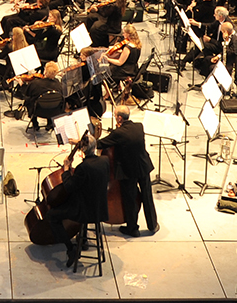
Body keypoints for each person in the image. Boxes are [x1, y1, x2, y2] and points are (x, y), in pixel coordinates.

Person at [47, 135, 112, 269]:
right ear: (94, 148)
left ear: (82, 151)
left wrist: (66, 170)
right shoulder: (105, 161)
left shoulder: (83, 167)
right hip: (100, 208)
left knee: (51, 215)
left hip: (85, 211)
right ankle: (83, 240)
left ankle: (71, 249)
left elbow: (69, 186)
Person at [98, 105, 157, 236]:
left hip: (128, 171)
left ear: (119, 118)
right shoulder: (139, 127)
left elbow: (101, 143)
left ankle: (132, 229)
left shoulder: (118, 133)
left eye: (115, 116)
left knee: (130, 199)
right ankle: (152, 224)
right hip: (143, 166)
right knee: (147, 195)